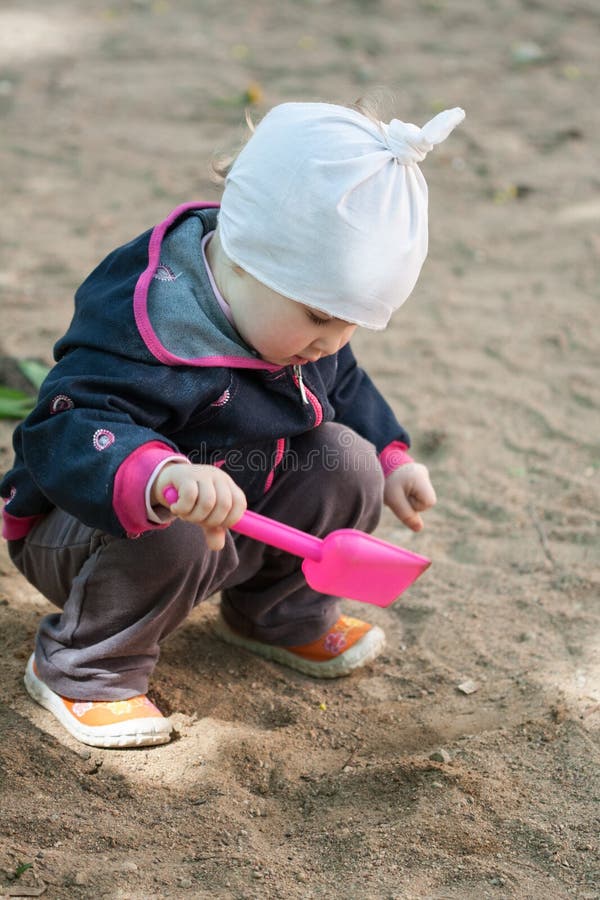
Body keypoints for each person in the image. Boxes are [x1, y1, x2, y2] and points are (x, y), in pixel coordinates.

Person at [0, 99, 465, 749]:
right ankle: (87, 665)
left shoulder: (297, 326)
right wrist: (157, 474)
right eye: (318, 317)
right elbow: (66, 429)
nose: (331, 340)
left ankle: (275, 615)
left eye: (348, 322)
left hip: (240, 511)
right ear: (244, 258)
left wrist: (391, 457)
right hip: (86, 529)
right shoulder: (151, 323)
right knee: (180, 524)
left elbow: (346, 382)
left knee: (347, 460)